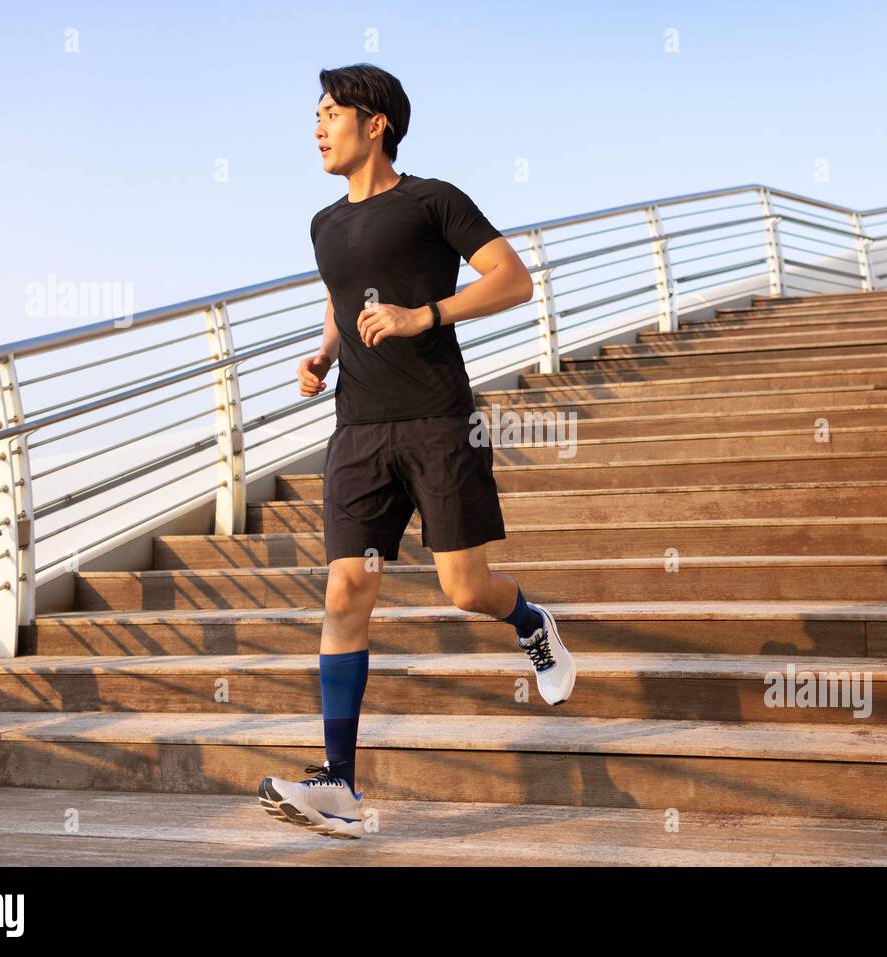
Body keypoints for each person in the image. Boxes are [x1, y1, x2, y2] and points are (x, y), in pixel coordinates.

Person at [258, 63, 576, 839]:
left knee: (464, 589)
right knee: (344, 593)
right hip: (359, 428)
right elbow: (343, 301)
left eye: (330, 112)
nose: (317, 127)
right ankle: (340, 784)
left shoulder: (433, 200)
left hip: (437, 419)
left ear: (375, 123)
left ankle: (531, 621)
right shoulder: (323, 224)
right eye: (316, 114)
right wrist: (324, 355)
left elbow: (513, 279)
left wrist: (422, 315)